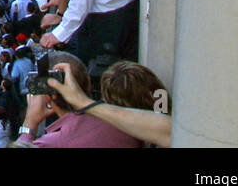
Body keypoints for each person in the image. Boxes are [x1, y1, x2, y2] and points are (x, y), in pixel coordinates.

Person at [13, 51, 142, 147]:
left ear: (46, 96)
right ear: (89, 84)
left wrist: (29, 124)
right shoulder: (126, 120)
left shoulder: (52, 143)